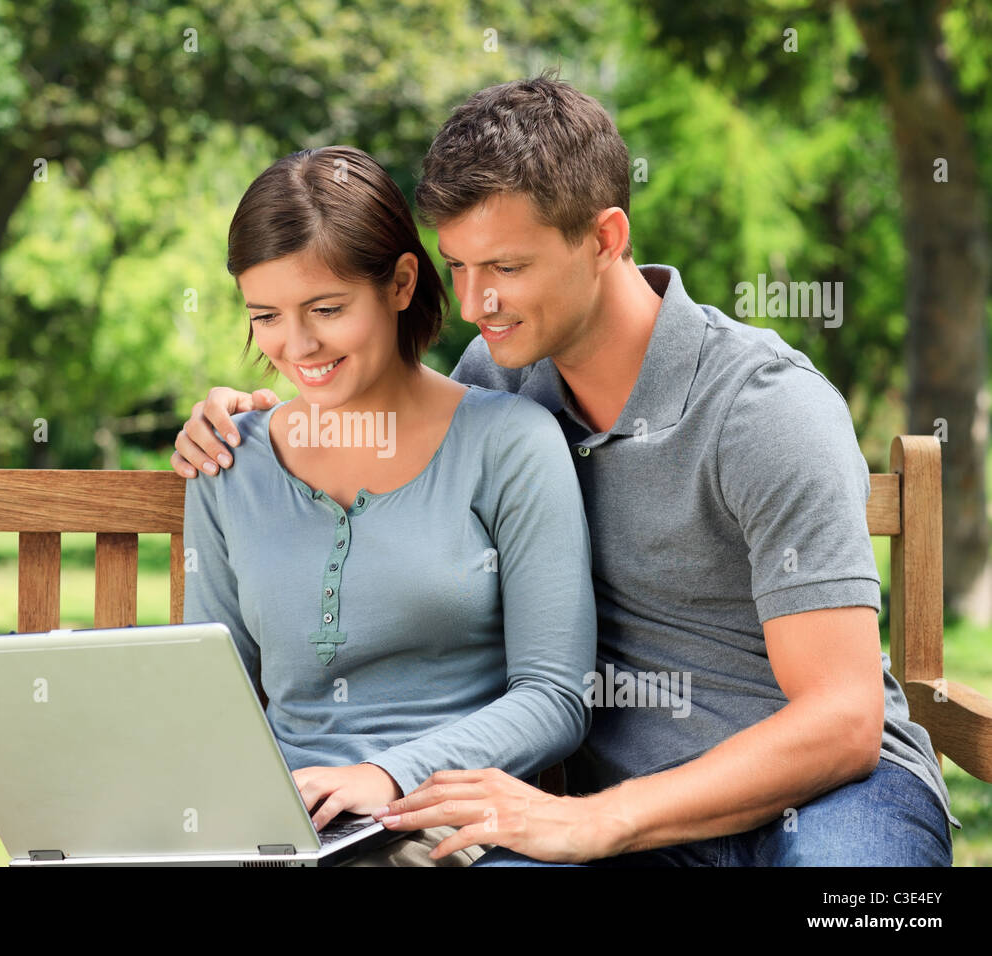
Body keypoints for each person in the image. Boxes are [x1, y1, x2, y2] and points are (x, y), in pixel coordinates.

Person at [172, 71, 959, 866]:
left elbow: (842, 720)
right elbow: (377, 406)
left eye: (507, 267)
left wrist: (601, 820)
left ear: (606, 238)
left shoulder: (762, 409)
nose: (478, 303)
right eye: (460, 267)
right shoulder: (502, 377)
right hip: (620, 815)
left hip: (822, 796)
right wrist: (246, 414)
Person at [180, 143, 597, 866]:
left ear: (402, 282)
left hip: (451, 821)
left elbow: (555, 697)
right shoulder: (227, 460)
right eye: (266, 315)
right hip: (281, 829)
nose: (297, 344)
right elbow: (208, 693)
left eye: (327, 309)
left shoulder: (509, 442)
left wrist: (387, 776)